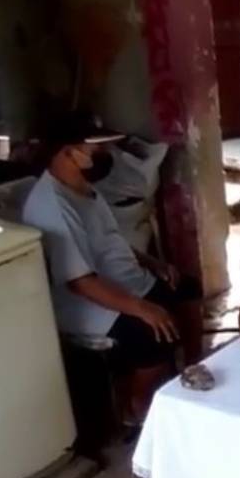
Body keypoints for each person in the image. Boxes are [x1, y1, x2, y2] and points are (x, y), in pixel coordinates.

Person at [21, 112, 202, 425]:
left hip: (127, 281)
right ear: (67, 153)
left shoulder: (83, 188)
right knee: (151, 332)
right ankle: (138, 408)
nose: (105, 155)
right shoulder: (52, 205)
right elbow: (80, 283)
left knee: (186, 289)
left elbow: (109, 240)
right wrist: (141, 308)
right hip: (90, 303)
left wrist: (153, 262)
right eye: (94, 150)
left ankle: (191, 371)